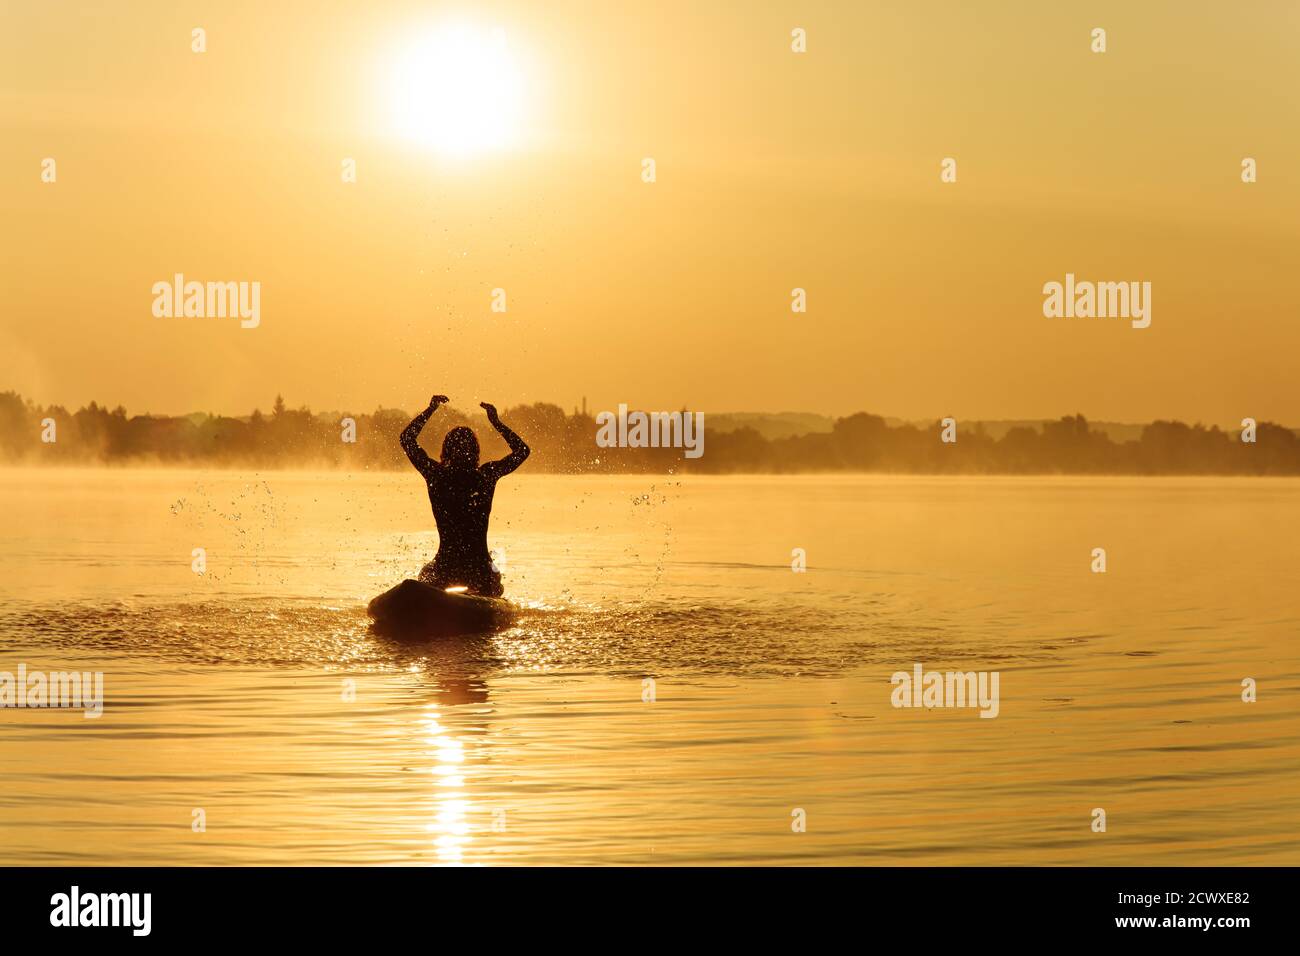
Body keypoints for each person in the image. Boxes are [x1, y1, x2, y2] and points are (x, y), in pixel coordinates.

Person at [400, 395, 530, 597]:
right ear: (475, 452)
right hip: (479, 570)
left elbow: (406, 439)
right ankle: (492, 593)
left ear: (445, 452)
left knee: (426, 573)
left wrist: (431, 410)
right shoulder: (486, 475)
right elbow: (522, 451)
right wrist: (496, 423)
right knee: (496, 574)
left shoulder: (437, 475)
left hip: (446, 568)